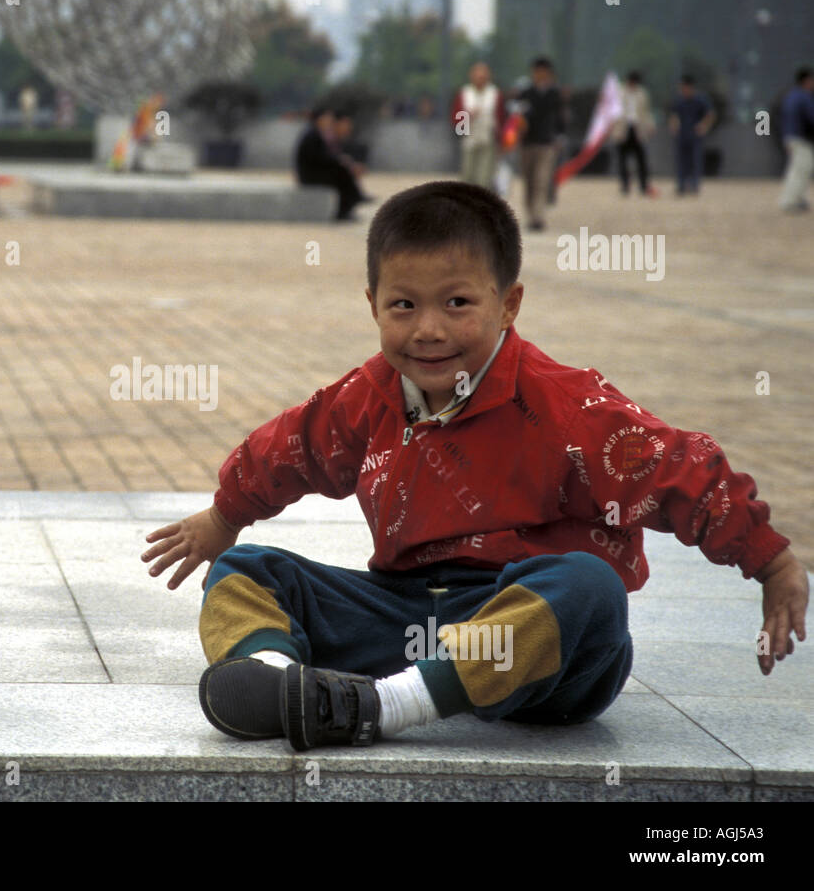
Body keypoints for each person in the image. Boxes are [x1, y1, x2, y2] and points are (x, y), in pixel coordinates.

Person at [141, 180, 806, 752]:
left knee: (591, 589)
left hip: (540, 647)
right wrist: (224, 516)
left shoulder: (569, 408)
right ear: (372, 304)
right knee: (248, 571)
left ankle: (383, 708)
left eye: (457, 303)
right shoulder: (367, 397)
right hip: (413, 620)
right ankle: (279, 680)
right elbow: (294, 447)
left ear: (507, 304)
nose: (428, 329)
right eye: (404, 305)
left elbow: (679, 472)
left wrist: (770, 563)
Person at [517, 57, 564, 230]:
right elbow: (517, 117)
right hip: (527, 143)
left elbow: (560, 118)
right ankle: (530, 213)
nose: (540, 75)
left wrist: (560, 136)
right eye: (537, 71)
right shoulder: (525, 93)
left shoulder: (554, 94)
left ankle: (538, 216)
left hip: (546, 143)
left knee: (542, 180)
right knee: (529, 181)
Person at [295, 104, 365, 221]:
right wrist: (339, 161)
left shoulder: (317, 134)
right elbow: (318, 157)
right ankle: (348, 205)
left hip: (313, 173)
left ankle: (351, 202)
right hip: (310, 176)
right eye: (327, 118)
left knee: (342, 172)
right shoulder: (312, 135)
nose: (330, 121)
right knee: (341, 173)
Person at [451, 61, 505, 190]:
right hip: (469, 140)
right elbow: (456, 121)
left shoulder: (495, 94)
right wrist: (468, 115)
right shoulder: (464, 93)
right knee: (467, 176)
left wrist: (501, 141)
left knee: (484, 178)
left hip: (488, 140)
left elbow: (501, 118)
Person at [668, 75, 715, 195]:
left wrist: (704, 126)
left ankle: (694, 185)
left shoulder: (700, 100)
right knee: (681, 161)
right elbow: (673, 114)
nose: (683, 90)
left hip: (695, 135)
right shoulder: (679, 100)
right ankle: (681, 185)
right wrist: (673, 126)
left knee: (695, 160)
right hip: (682, 134)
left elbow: (710, 114)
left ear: (690, 87)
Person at [610, 71, 654, 195]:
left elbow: (646, 111)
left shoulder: (642, 94)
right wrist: (614, 129)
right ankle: (625, 185)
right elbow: (613, 112)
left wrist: (650, 125)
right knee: (622, 160)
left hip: (637, 129)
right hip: (623, 129)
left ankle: (643, 186)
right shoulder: (620, 93)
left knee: (641, 160)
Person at [778, 67, 814, 213]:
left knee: (800, 168)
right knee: (800, 169)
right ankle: (790, 201)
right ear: (806, 80)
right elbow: (811, 117)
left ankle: (796, 198)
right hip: (800, 137)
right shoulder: (804, 97)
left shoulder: (791, 96)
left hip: (791, 136)